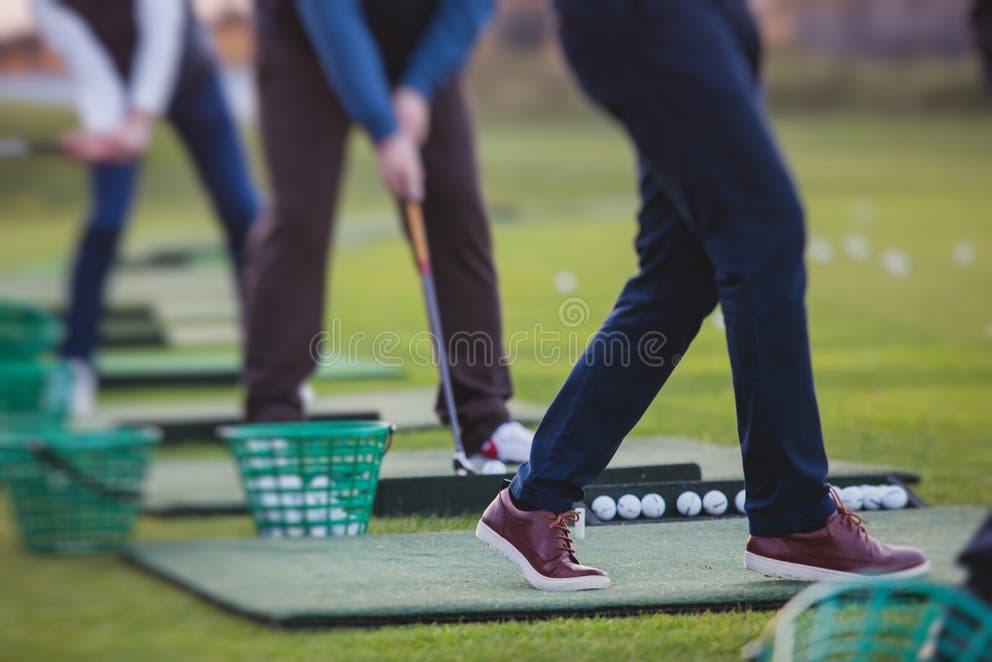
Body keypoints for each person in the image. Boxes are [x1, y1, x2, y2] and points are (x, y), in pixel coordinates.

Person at [476, 0, 929, 590]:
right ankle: (796, 518)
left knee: (681, 272)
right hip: (652, 22)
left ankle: (535, 501)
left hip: (705, 19)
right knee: (763, 228)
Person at [243, 0, 533, 464]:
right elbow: (333, 19)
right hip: (302, 50)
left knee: (456, 212)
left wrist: (417, 89)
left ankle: (482, 418)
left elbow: (469, 7)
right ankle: (273, 414)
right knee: (301, 219)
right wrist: (385, 130)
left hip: (418, 49)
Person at [29, 0, 260, 417]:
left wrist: (139, 122)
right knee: (105, 223)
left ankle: (269, 365)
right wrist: (105, 131)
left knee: (243, 215)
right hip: (115, 94)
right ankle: (77, 364)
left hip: (193, 78)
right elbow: (91, 66)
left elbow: (161, 35)